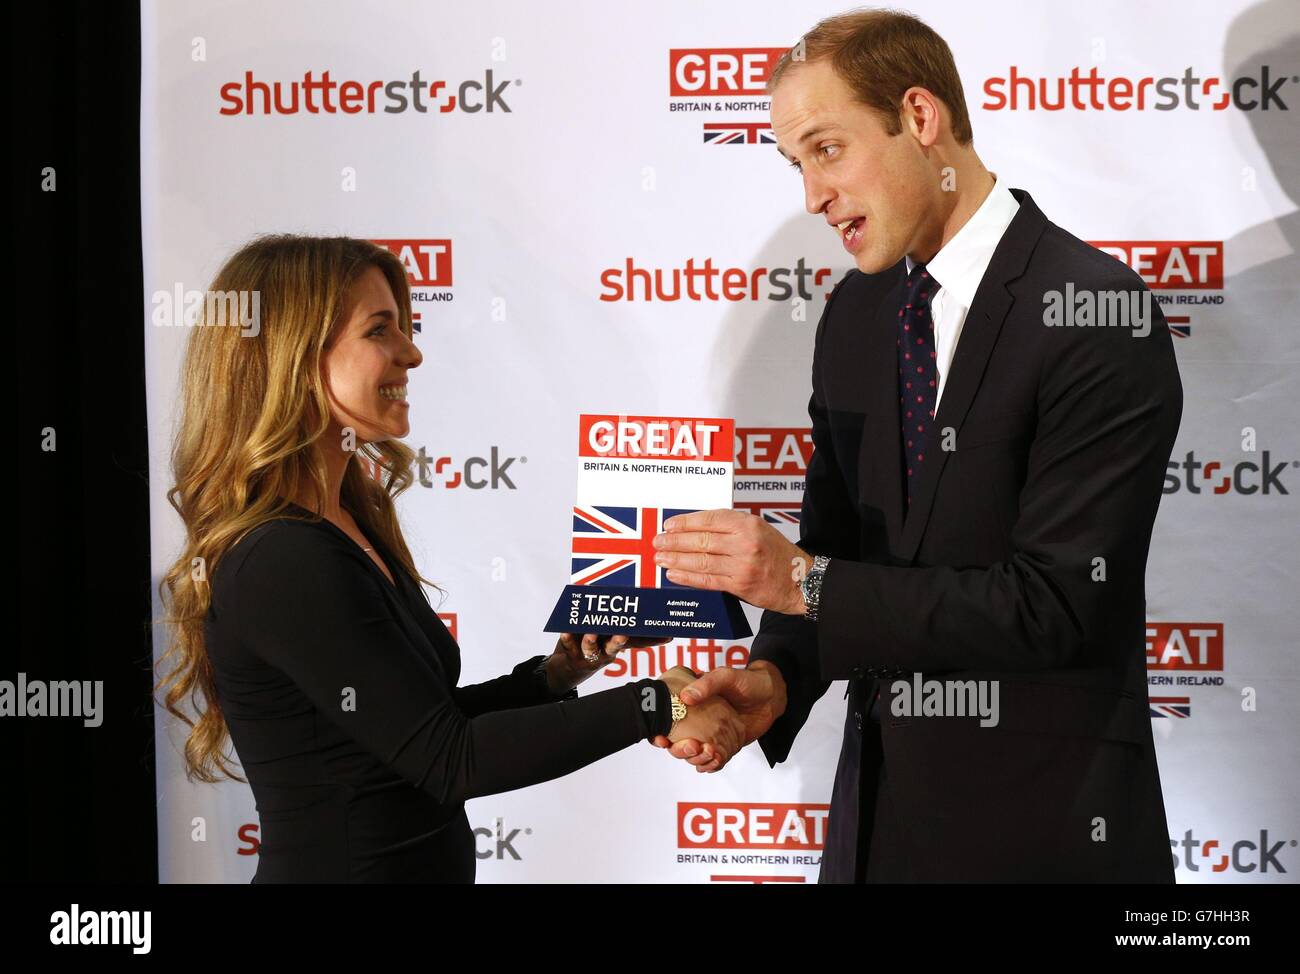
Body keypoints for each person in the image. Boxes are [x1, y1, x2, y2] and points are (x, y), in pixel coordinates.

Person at [650, 8, 1182, 882]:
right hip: (875, 836)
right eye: (797, 165)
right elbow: (836, 555)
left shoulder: (1095, 313)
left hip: (1049, 837)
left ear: (921, 118)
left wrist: (798, 581)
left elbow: (1057, 606)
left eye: (827, 150)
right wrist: (773, 682)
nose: (812, 196)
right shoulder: (856, 316)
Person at [154, 234, 744, 882]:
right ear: (293, 357)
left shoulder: (341, 527)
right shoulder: (282, 559)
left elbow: (418, 728)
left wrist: (558, 672)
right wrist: (655, 702)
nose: (412, 352)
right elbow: (449, 759)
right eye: (381, 331)